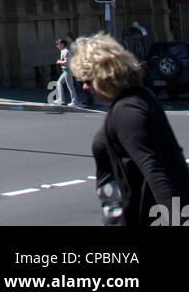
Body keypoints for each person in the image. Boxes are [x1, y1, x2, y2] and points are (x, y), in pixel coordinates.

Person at [70, 32, 189, 226]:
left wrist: (179, 222)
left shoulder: (128, 111)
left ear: (106, 76)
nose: (85, 87)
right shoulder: (139, 98)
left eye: (88, 80)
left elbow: (155, 170)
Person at [53, 37, 80, 106]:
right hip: (65, 70)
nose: (57, 46)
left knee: (70, 86)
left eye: (58, 44)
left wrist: (59, 62)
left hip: (67, 70)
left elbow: (66, 62)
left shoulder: (66, 51)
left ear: (62, 44)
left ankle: (74, 102)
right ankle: (61, 99)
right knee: (59, 83)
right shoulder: (63, 51)